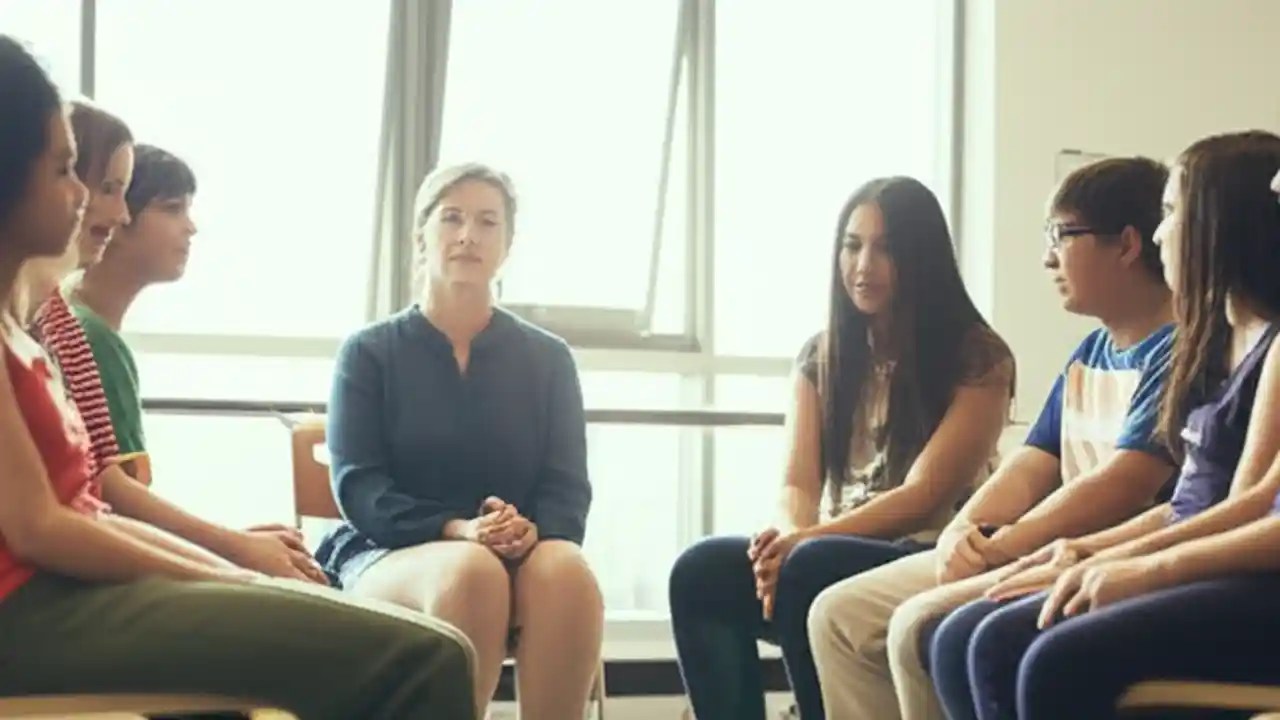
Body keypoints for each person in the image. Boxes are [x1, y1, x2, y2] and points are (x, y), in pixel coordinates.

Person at [0, 33, 477, 720]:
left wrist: (235, 573)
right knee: (428, 656)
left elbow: (88, 508)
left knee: (411, 646)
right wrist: (222, 571)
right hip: (28, 613)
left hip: (61, 597)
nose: (84, 198)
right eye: (63, 171)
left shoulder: (27, 329)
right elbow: (40, 528)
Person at [806, 157, 1179, 720]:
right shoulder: (1090, 353)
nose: (1047, 257)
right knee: (836, 615)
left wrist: (1005, 543)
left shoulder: (1179, 353)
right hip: (1019, 544)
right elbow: (1029, 464)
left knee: (917, 626)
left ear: (1126, 246)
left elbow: (1120, 484)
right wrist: (964, 530)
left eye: (1061, 236)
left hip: (1090, 555)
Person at [929, 130, 1280, 720]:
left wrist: (1132, 565)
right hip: (1218, 558)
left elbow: (1249, 510)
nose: (1161, 233)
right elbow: (1222, 503)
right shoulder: (1212, 343)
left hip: (1251, 584)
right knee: (957, 635)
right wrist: (1085, 550)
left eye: (1171, 213)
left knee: (1027, 653)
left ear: (1217, 225)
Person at [668, 177, 1014, 720]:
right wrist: (780, 542)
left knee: (811, 562)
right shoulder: (821, 356)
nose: (863, 265)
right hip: (824, 549)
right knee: (700, 571)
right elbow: (797, 483)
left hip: (922, 554)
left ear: (920, 257)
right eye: (852, 245)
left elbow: (924, 494)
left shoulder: (979, 358)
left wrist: (804, 542)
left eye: (886, 248)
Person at [314, 162, 603, 719]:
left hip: (517, 553)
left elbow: (567, 484)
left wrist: (532, 530)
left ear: (508, 243)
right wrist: (459, 529)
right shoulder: (369, 352)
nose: (468, 235)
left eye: (487, 222)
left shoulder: (548, 359)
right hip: (389, 551)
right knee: (472, 572)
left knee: (566, 570)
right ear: (422, 236)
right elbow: (360, 486)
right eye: (452, 219)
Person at [29, 134, 324, 583]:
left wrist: (227, 540)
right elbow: (114, 497)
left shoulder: (80, 326)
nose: (190, 227)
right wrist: (232, 550)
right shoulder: (87, 337)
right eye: (172, 208)